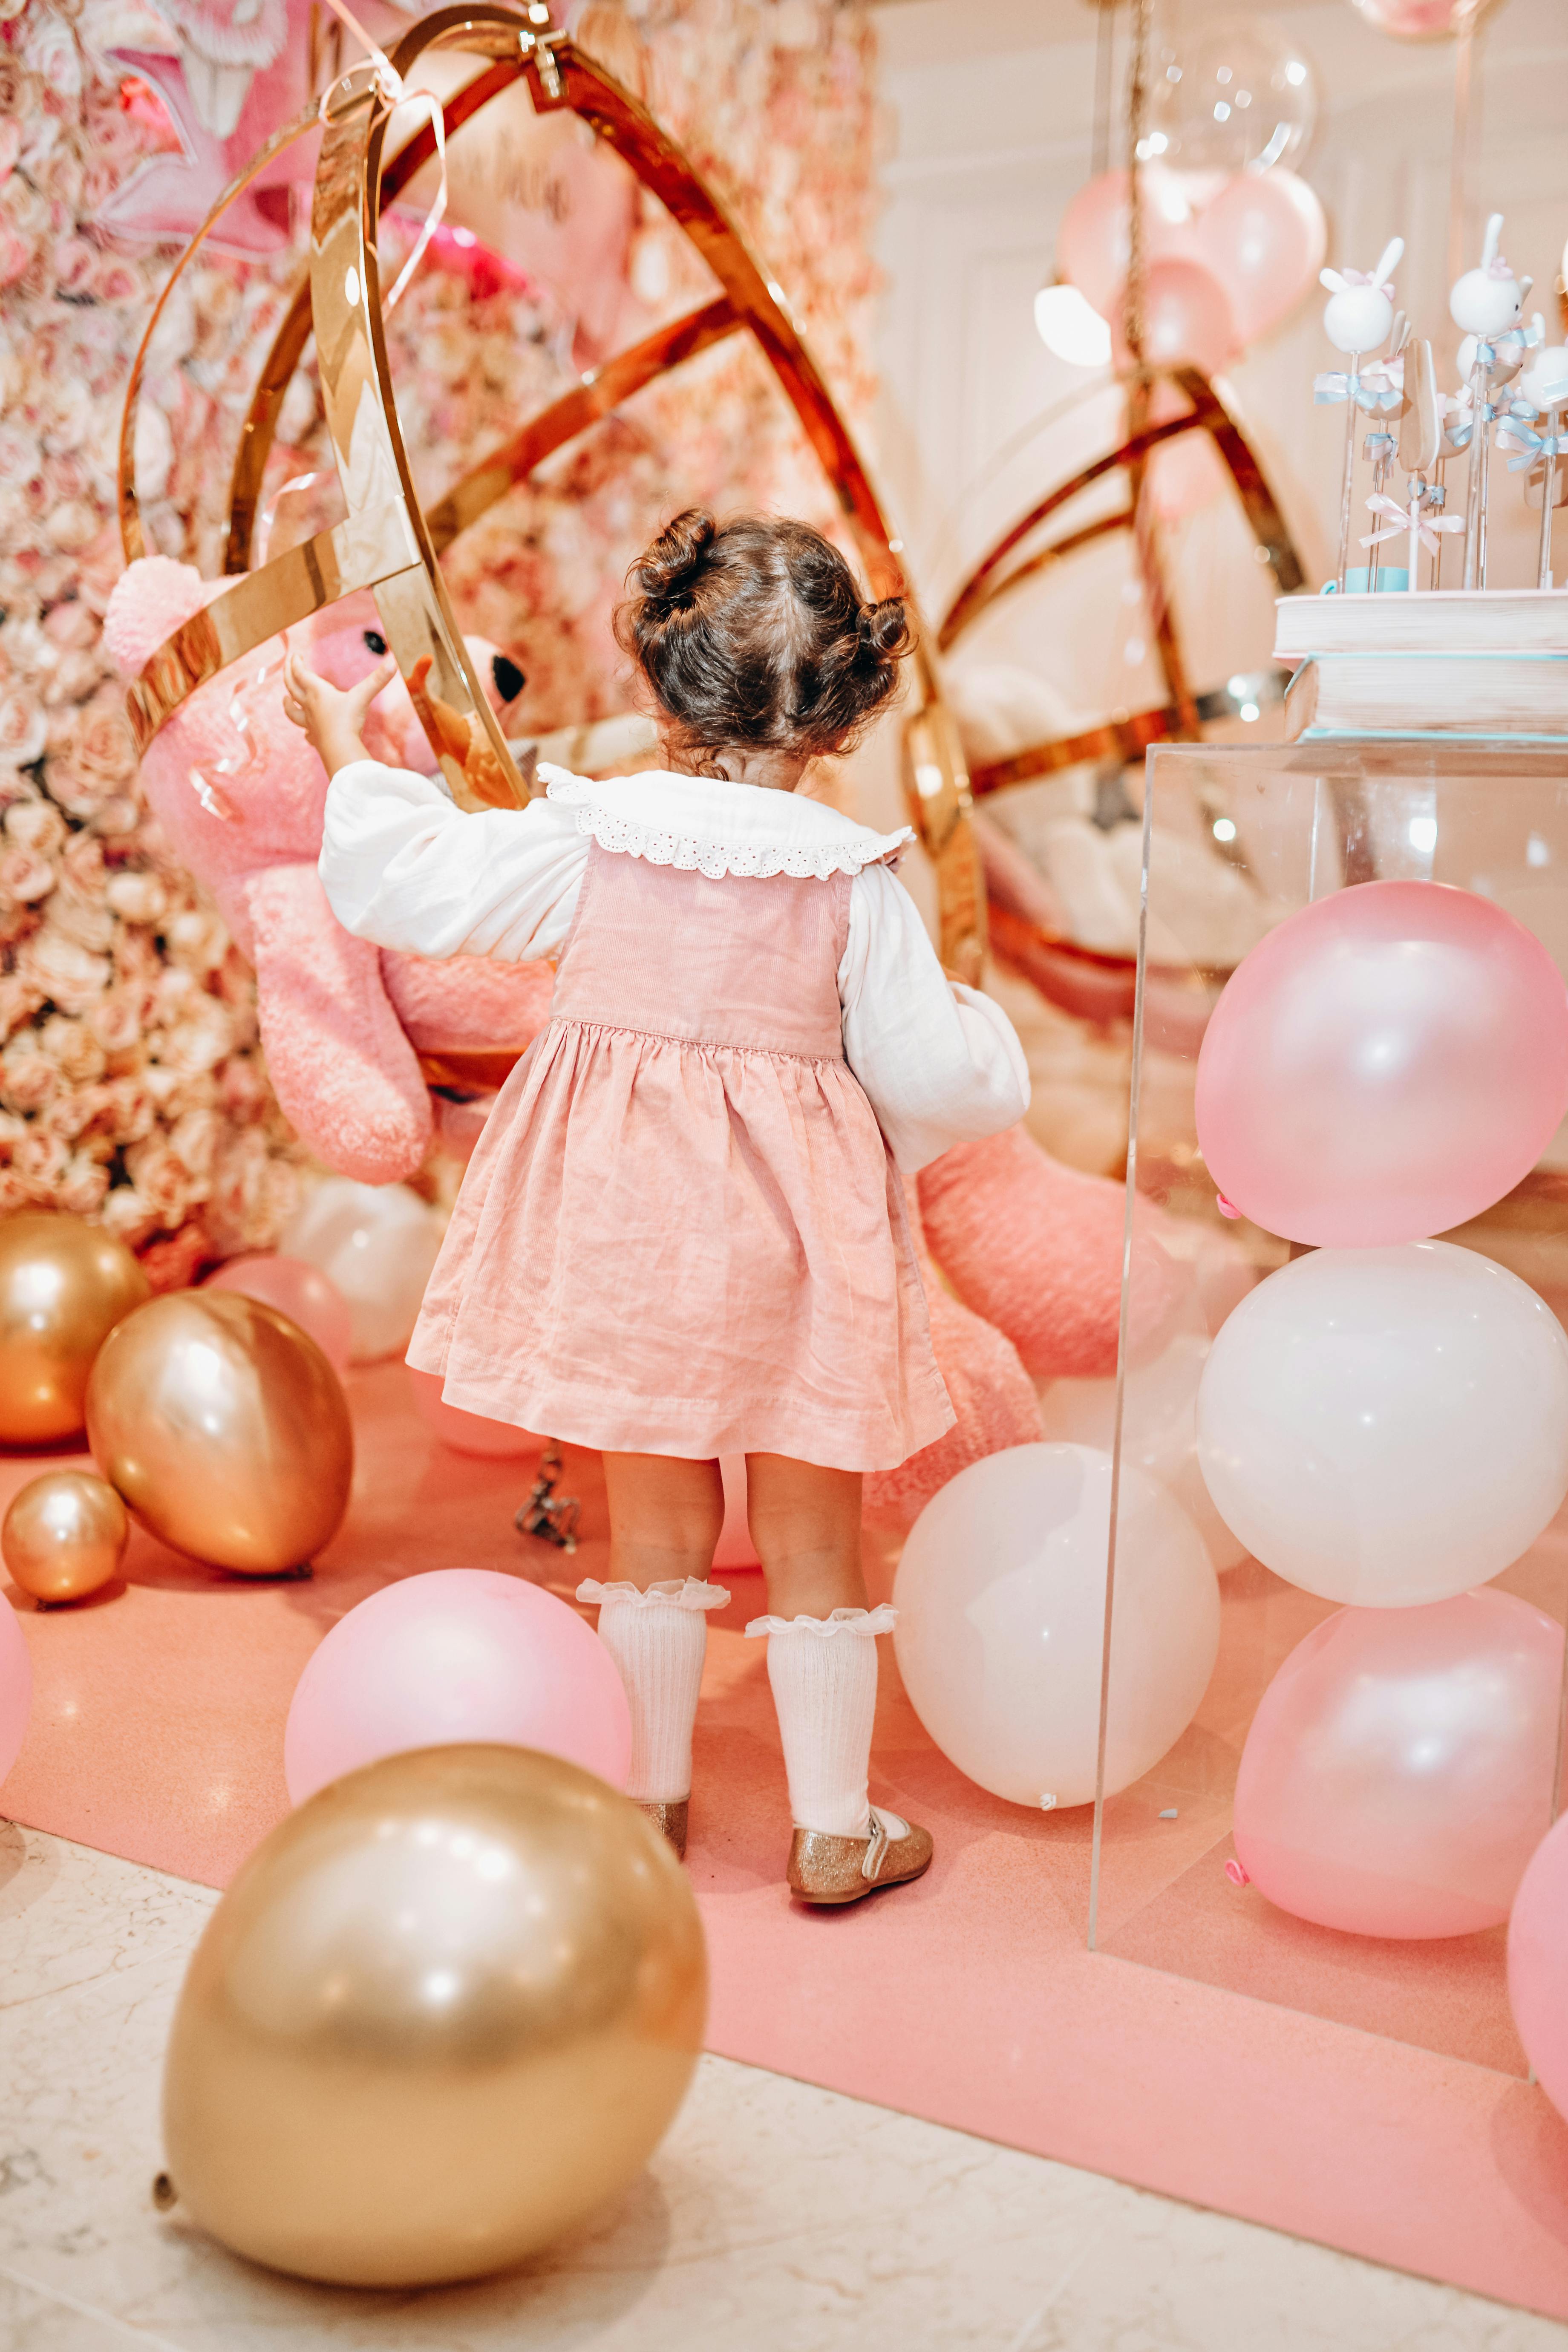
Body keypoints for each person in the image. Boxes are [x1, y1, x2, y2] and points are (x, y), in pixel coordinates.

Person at [288, 509, 1029, 1906]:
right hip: (801, 1248)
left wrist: (349, 758)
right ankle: (833, 1824)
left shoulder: (594, 839)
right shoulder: (854, 882)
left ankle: (648, 1801)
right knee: (818, 1532)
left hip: (630, 1240)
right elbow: (935, 1071)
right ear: (836, 715)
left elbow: (410, 885)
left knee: (660, 1531)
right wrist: (981, 1043)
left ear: (663, 678)